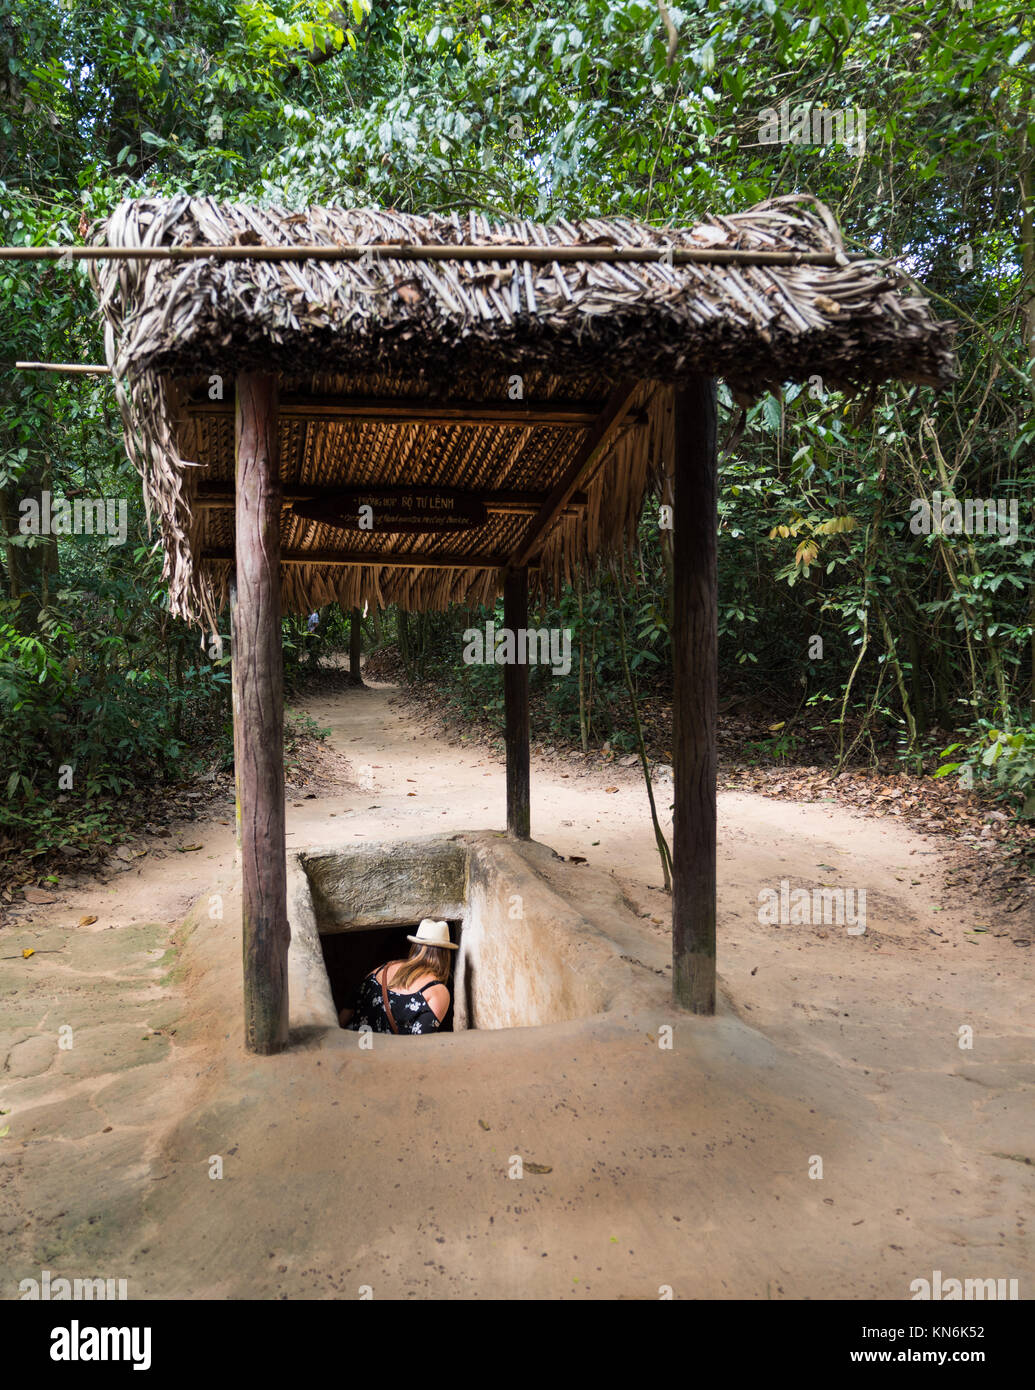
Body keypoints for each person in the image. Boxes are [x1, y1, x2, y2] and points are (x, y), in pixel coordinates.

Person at [339, 919, 456, 1035]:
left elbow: (345, 1015)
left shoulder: (382, 970)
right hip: (386, 1053)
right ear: (446, 954)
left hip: (353, 1047)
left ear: (415, 946)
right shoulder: (437, 991)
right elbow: (420, 1045)